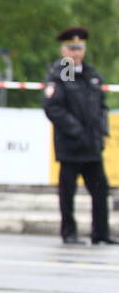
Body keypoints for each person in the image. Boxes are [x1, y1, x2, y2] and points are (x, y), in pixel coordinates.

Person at [43, 27, 113, 246]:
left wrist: (101, 131)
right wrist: (77, 131)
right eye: (71, 48)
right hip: (71, 145)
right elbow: (54, 108)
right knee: (68, 193)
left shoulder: (91, 73)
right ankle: (69, 233)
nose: (75, 53)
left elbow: (101, 106)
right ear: (63, 50)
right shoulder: (65, 71)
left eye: (79, 48)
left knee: (101, 191)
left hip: (92, 145)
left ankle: (100, 233)